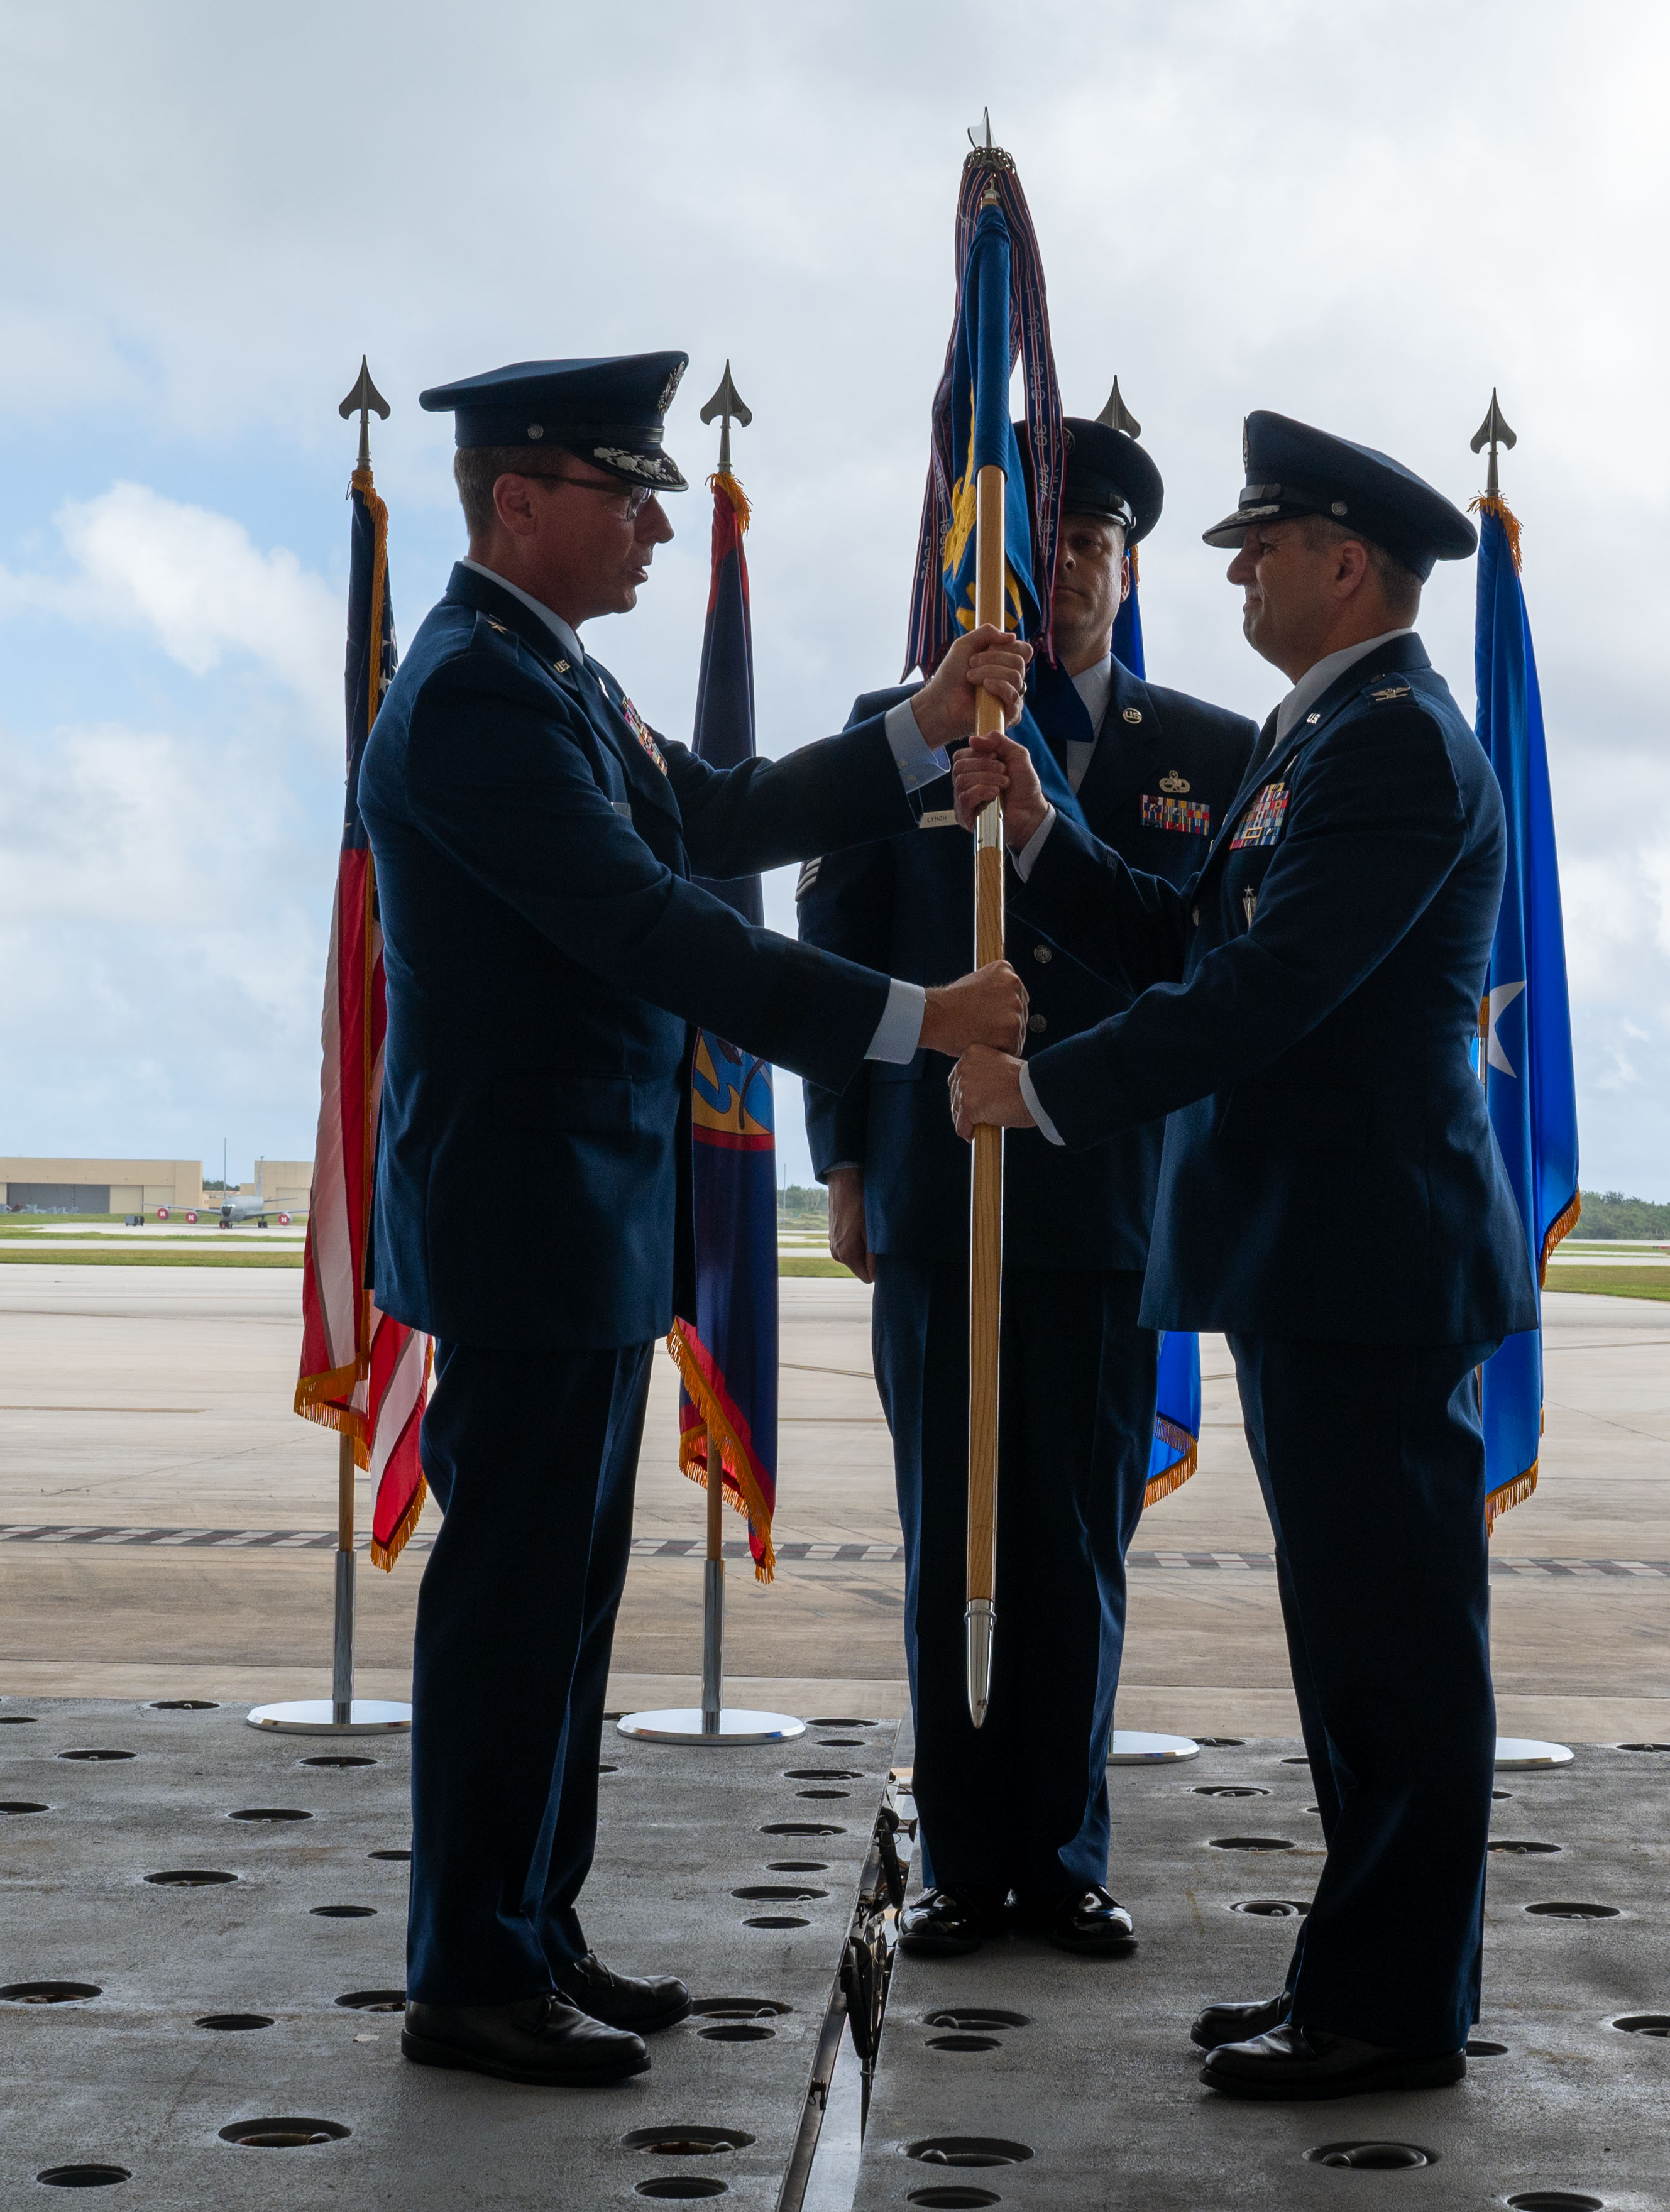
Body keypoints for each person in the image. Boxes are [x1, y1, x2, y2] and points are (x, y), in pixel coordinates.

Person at [355, 351, 1030, 2088]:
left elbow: (714, 814)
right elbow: (659, 927)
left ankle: (528, 1926)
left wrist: (916, 724)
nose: (660, 520)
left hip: (580, 1219)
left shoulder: (551, 675)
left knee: (563, 1610)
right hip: (525, 1222)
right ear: (519, 500)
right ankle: (469, 1976)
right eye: (622, 488)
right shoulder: (476, 700)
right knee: (511, 1610)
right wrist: (915, 1016)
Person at [948, 410, 1535, 2100]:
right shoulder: (1315, 740)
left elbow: (1266, 996)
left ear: (1344, 564)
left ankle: (1391, 2008)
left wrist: (1040, 1089)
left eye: (1258, 548)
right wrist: (1047, 828)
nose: (1233, 573)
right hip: (1312, 1256)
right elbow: (1190, 931)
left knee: (1398, 1660)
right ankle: (1353, 1975)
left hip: (1370, 1259)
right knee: (1352, 1656)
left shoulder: (1397, 745)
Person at [796, 410, 1256, 1962]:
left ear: (1127, 570)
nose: (1058, 571)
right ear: (970, 565)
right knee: (953, 1536)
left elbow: (1212, 971)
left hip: (1110, 1199)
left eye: (1086, 545)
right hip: (941, 1186)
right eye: (1032, 544)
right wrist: (847, 1162)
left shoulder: (1202, 750)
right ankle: (961, 1857)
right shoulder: (903, 726)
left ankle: (1061, 1854)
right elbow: (838, 949)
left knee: (1074, 1543)